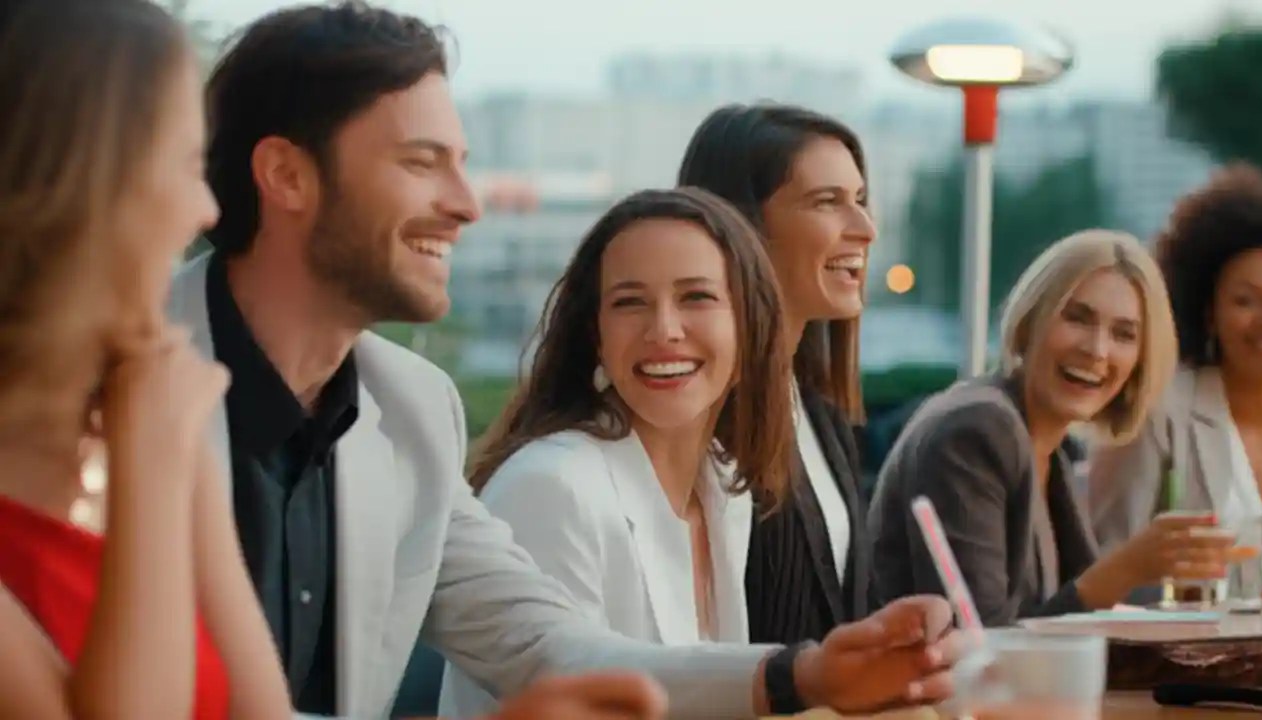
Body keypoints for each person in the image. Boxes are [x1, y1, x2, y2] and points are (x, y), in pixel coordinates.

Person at [183, 3, 963, 718]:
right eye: (423, 162)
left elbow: (542, 646)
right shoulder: (103, 396)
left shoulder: (414, 407)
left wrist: (801, 673)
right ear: (286, 175)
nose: (467, 202)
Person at [0, 1, 292, 717]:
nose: (207, 211)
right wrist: (155, 461)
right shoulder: (156, 431)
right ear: (81, 189)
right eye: (191, 164)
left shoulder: (152, 418)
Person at [440, 187, 795, 714]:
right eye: (630, 303)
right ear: (597, 337)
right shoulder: (552, 486)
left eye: (696, 297)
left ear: (751, 327)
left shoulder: (721, 484)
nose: (664, 331)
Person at [867, 230, 1235, 627]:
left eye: (1123, 334)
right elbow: (981, 643)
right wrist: (1125, 568)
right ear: (1032, 319)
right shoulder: (978, 429)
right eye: (1077, 318)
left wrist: (1174, 578)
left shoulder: (1050, 451)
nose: (1097, 350)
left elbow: (1061, 609)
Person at [677, 103, 874, 644]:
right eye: (827, 202)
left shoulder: (819, 414)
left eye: (859, 200)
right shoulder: (696, 417)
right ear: (743, 225)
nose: (865, 228)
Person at [1090, 165, 1262, 591]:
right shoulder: (1159, 409)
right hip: (1181, 651)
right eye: (1245, 300)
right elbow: (1100, 569)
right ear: (1209, 312)